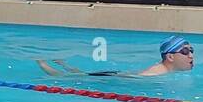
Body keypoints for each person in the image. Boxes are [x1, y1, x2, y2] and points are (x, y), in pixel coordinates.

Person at [38, 35, 194, 78]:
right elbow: (134, 81)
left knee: (81, 74)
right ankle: (45, 66)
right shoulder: (158, 72)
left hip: (116, 75)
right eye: (185, 52)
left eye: (191, 50)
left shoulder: (167, 71)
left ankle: (65, 64)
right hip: (114, 79)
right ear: (170, 57)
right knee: (68, 78)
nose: (191, 55)